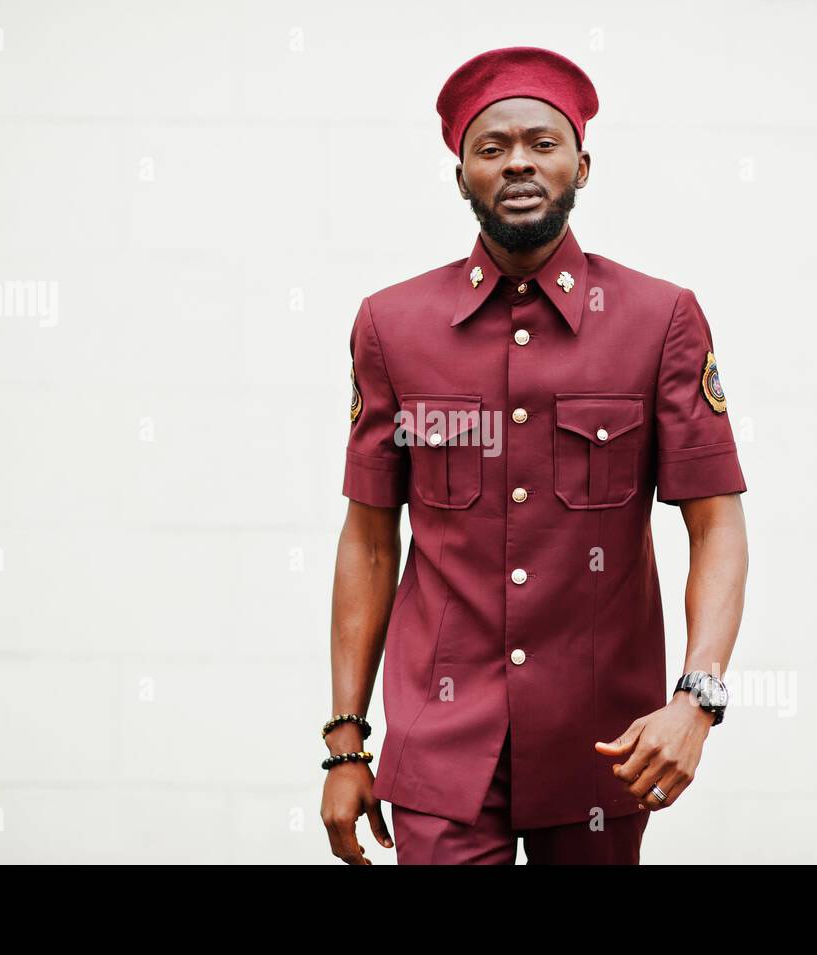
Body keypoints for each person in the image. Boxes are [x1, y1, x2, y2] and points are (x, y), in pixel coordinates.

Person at [320, 46, 749, 865]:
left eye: (543, 142)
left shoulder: (660, 320)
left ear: (582, 164)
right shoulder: (392, 326)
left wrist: (697, 698)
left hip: (606, 748)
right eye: (492, 146)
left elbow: (718, 527)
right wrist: (346, 742)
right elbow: (370, 540)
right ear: (461, 177)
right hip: (440, 745)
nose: (518, 159)